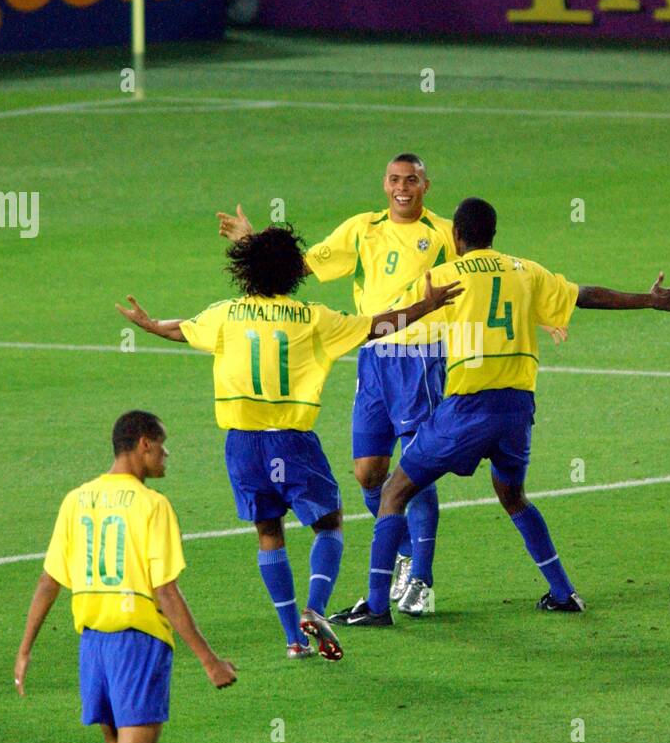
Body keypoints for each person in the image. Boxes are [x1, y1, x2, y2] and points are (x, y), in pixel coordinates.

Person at [218, 155, 560, 616]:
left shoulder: (443, 232)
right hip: (374, 355)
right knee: (369, 472)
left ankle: (421, 577)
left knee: (414, 466)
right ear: (385, 184)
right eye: (396, 180)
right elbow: (296, 267)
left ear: (426, 185)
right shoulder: (363, 229)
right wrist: (253, 243)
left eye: (412, 181)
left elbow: (487, 278)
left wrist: (541, 312)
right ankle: (399, 551)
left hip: (420, 356)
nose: (404, 188)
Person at [328, 197, 670, 626]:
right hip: (517, 409)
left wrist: (356, 331)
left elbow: (400, 324)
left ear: (457, 237)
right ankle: (562, 591)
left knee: (393, 492)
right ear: (494, 235)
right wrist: (647, 301)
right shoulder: (525, 271)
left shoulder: (444, 277)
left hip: (468, 406)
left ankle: (377, 605)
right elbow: (584, 296)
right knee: (512, 496)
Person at [117, 225, 460, 657]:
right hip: (292, 442)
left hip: (242, 445)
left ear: (245, 272)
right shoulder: (314, 318)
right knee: (329, 524)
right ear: (293, 273)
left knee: (268, 531)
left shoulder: (226, 315)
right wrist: (424, 307)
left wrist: (148, 324)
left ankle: (293, 641)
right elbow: (378, 327)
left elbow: (179, 329)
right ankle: (314, 609)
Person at [14, 411, 238, 743]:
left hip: (93, 648)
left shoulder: (77, 499)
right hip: (138, 645)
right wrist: (209, 661)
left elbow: (48, 582)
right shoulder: (152, 506)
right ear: (144, 444)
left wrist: (24, 651)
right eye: (162, 446)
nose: (166, 455)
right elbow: (164, 591)